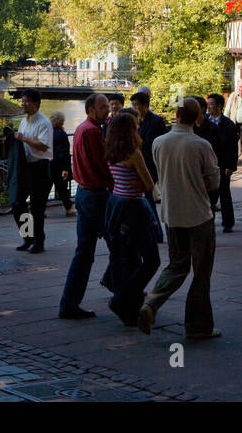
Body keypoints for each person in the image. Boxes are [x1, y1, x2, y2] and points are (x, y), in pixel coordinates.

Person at [139, 98, 219, 339]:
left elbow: (158, 172)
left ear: (176, 115)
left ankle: (151, 303)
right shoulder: (200, 144)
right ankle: (197, 325)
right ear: (197, 117)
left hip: (171, 213)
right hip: (198, 214)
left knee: (176, 264)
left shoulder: (158, 142)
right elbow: (214, 181)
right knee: (201, 271)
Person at [102, 111, 159, 325]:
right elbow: (149, 183)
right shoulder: (134, 153)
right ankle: (122, 298)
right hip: (134, 207)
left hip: (116, 204)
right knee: (152, 260)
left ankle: (130, 307)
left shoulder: (110, 150)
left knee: (130, 257)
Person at [59, 93, 112, 320]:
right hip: (96, 196)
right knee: (118, 246)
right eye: (103, 107)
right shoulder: (92, 131)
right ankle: (124, 292)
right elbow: (102, 165)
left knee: (84, 252)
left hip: (84, 193)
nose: (107, 111)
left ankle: (69, 303)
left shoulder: (82, 128)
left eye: (108, 107)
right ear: (91, 109)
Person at [12, 89, 53, 253]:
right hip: (25, 167)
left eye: (26, 101)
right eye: (22, 101)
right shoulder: (24, 121)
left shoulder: (44, 122)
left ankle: (38, 241)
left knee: (37, 207)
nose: (23, 104)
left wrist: (24, 139)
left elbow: (43, 145)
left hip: (40, 167)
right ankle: (27, 237)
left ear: (35, 103)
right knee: (17, 203)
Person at [131, 90, 168, 242]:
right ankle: (153, 231)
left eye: (136, 105)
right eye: (132, 105)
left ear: (145, 106)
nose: (134, 108)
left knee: (147, 200)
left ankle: (157, 232)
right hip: (140, 165)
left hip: (150, 165)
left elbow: (159, 144)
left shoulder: (155, 121)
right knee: (146, 201)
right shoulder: (136, 121)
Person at [204, 94, 238, 232]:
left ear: (219, 106)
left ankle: (228, 223)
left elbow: (232, 147)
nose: (208, 107)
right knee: (208, 195)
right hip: (208, 163)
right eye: (208, 104)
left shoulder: (228, 124)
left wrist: (231, 166)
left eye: (211, 104)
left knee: (224, 193)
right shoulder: (204, 122)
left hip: (223, 163)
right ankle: (207, 221)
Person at [47, 111, 74, 215]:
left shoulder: (49, 132)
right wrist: (66, 168)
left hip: (49, 163)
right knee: (62, 187)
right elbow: (64, 152)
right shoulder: (62, 134)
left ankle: (39, 209)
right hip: (58, 165)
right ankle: (69, 208)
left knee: (46, 188)